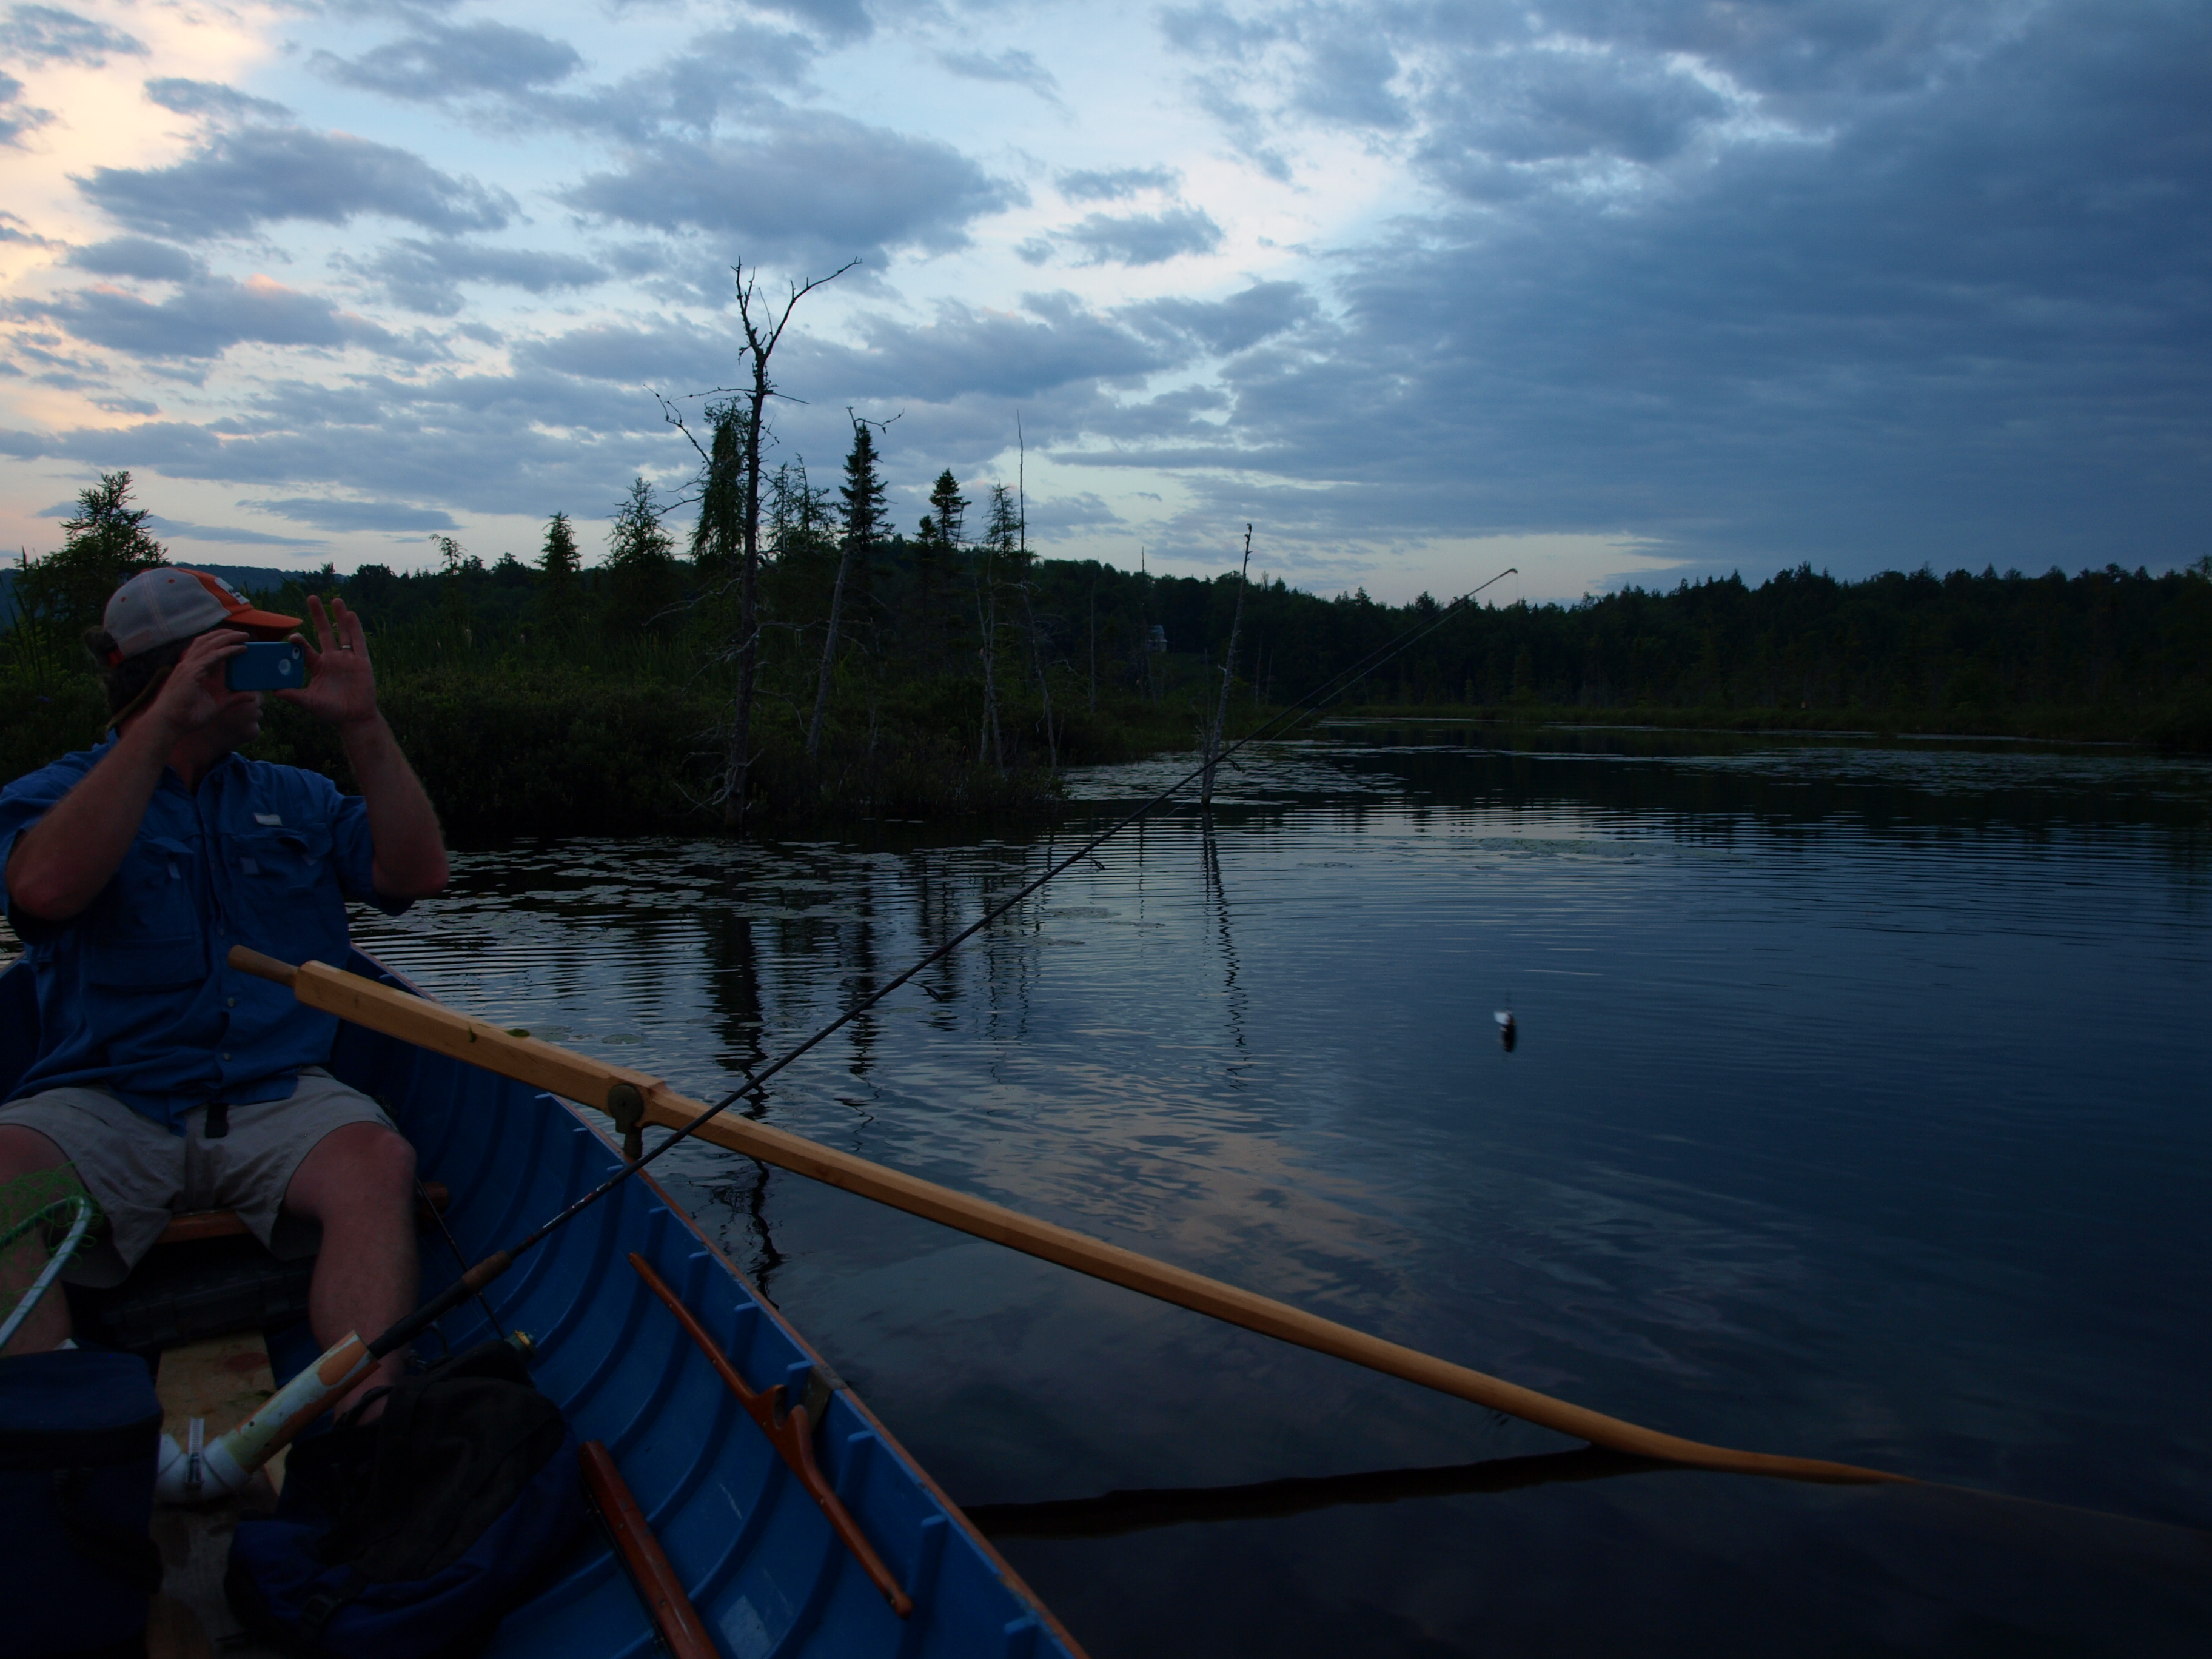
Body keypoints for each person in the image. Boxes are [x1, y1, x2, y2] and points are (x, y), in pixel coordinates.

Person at [0, 567, 447, 1406]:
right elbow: (45, 893)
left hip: (277, 1091)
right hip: (107, 1094)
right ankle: (53, 1432)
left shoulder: (296, 797)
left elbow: (419, 872)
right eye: (245, 658)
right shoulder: (55, 796)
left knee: (378, 1161)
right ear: (176, 671)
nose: (269, 680)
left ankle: (368, 1416)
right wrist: (161, 722)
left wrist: (363, 722)